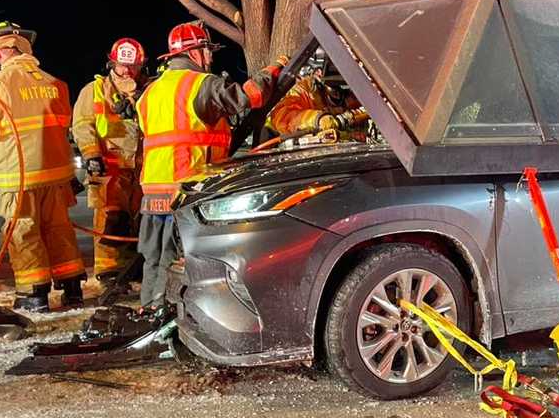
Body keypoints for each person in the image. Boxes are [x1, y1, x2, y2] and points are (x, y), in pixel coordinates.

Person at [135, 21, 282, 314]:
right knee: (179, 259)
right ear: (196, 53)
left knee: (154, 258)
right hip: (187, 188)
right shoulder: (202, 83)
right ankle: (170, 318)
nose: (211, 58)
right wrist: (272, 71)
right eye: (207, 51)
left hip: (152, 190)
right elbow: (248, 97)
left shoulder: (149, 92)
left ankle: (149, 310)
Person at [0, 21, 86, 311]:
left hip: (19, 176)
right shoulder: (55, 84)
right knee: (59, 230)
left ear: (0, 53)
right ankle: (72, 288)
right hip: (57, 175)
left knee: (24, 233)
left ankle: (33, 293)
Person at [72, 38, 145, 285]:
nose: (127, 71)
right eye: (122, 65)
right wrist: (92, 154)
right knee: (110, 221)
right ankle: (108, 273)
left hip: (142, 170)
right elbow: (82, 125)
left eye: (133, 66)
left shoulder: (147, 90)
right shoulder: (94, 90)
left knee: (138, 221)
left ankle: (135, 268)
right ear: (111, 63)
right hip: (109, 169)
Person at [265, 54, 368, 142]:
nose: (344, 97)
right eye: (336, 91)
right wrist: (317, 119)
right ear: (319, 74)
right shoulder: (304, 89)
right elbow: (282, 118)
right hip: (287, 150)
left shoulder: (355, 98)